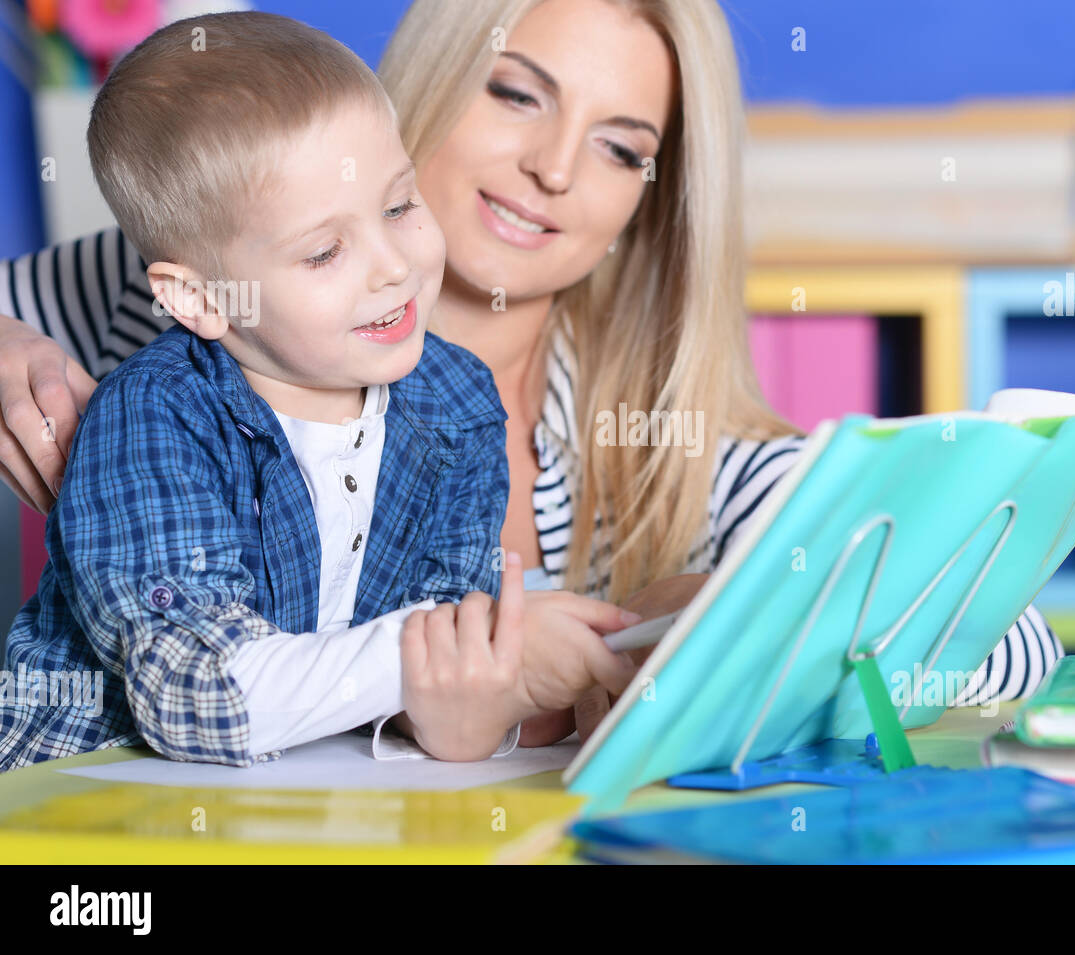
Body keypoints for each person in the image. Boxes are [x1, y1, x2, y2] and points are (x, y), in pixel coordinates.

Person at [0, 0, 1062, 749]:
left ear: (649, 201)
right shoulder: (202, 293)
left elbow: (1005, 635)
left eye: (618, 148)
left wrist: (726, 624)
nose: (554, 168)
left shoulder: (666, 439)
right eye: (516, 94)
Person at [0, 12, 637, 772]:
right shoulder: (151, 415)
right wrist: (416, 658)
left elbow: (429, 685)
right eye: (325, 251)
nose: (392, 266)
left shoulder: (456, 402)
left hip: (308, 805)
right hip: (81, 797)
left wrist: (476, 699)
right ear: (202, 299)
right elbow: (194, 692)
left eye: (399, 205)